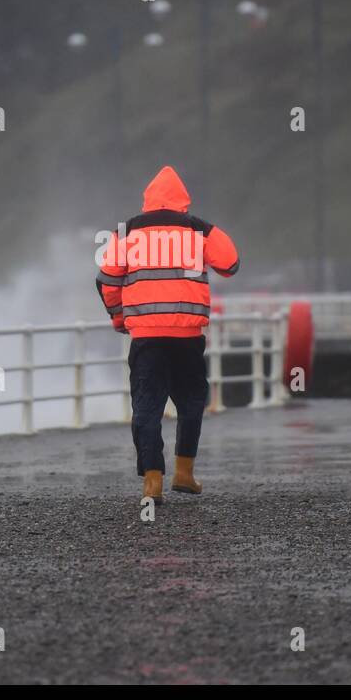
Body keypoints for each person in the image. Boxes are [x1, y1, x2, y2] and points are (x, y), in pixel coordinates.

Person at [96, 166, 239, 505]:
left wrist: (119, 318)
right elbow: (231, 263)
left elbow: (106, 281)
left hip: (146, 336)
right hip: (187, 336)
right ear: (183, 201)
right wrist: (205, 229)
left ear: (148, 200)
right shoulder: (197, 229)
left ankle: (152, 481)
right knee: (191, 401)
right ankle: (185, 474)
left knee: (147, 405)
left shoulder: (127, 231)